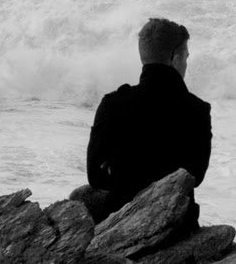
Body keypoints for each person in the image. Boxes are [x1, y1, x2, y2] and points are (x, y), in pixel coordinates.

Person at [81, 17, 212, 227]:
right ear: (175, 58)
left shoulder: (112, 104)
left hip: (121, 222)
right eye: (186, 56)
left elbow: (95, 177)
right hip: (176, 225)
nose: (186, 63)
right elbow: (196, 176)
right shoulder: (197, 110)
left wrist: (123, 175)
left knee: (81, 197)